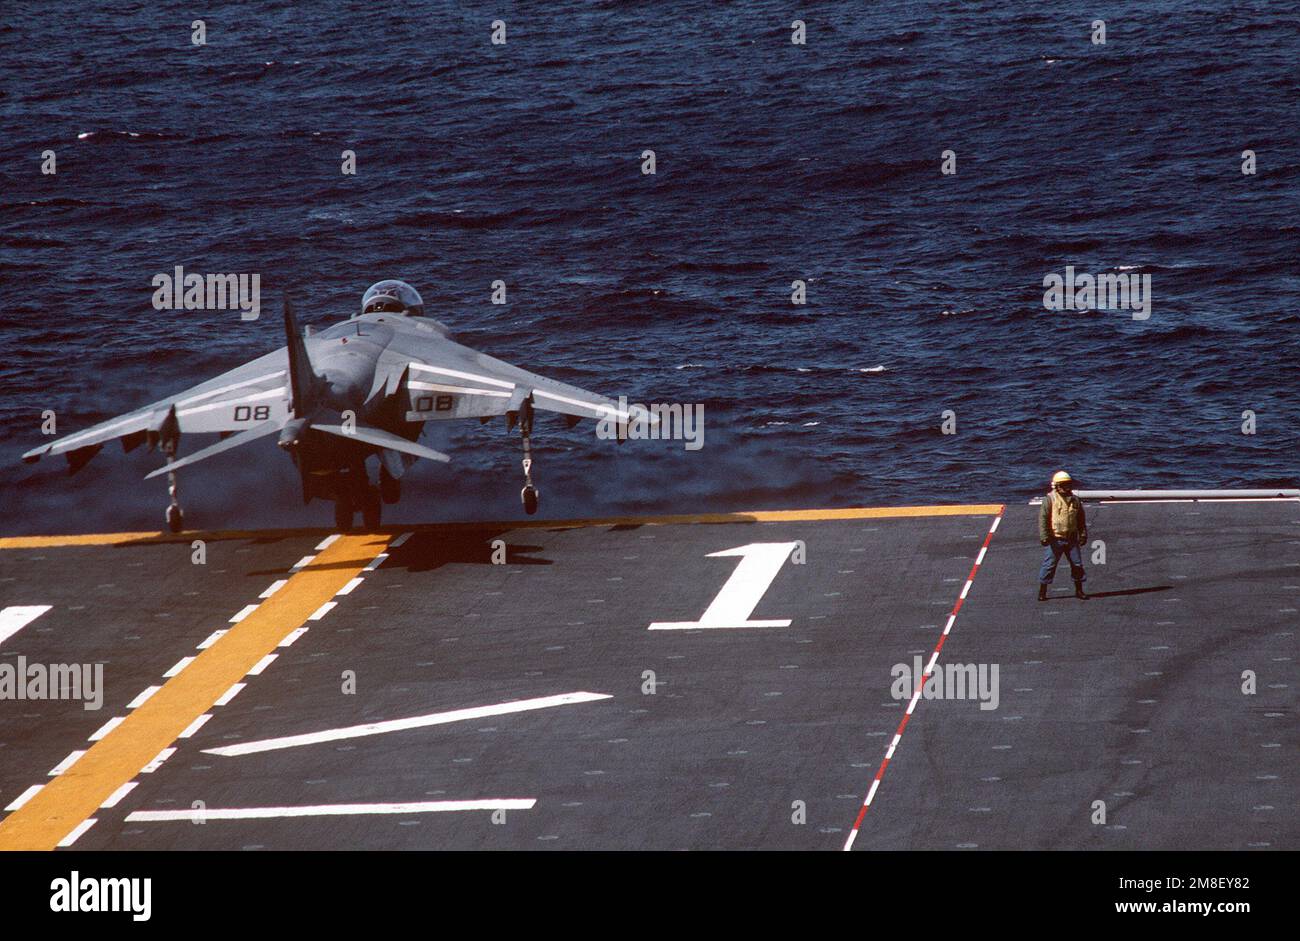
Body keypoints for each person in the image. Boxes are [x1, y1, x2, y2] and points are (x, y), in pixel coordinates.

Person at [1038, 470, 1088, 600]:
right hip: (1056, 539)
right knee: (1049, 566)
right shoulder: (1050, 500)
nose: (1067, 487)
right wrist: (1044, 536)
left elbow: (1081, 519)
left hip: (1071, 539)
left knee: (1077, 565)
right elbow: (1043, 519)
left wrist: (1083, 534)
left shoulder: (1075, 500)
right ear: (1057, 486)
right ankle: (1042, 592)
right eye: (1064, 485)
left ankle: (1079, 590)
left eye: (1069, 484)